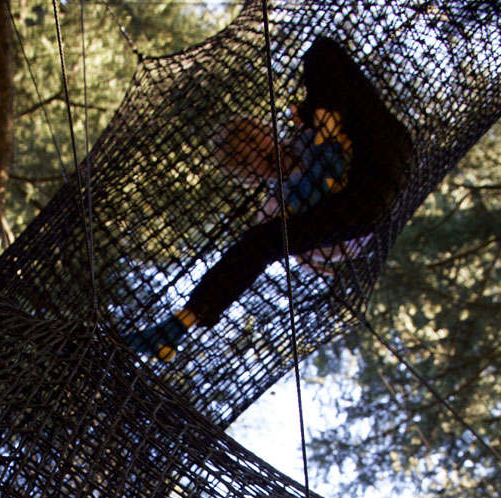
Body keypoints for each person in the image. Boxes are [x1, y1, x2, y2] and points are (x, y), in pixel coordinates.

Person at [126, 36, 413, 361]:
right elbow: (317, 248)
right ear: (247, 177)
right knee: (261, 242)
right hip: (360, 209)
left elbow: (330, 81)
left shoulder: (308, 128)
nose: (263, 155)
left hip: (382, 154)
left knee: (321, 51)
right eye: (250, 161)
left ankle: (332, 142)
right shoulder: (275, 209)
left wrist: (326, 131)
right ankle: (179, 323)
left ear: (265, 130)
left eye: (257, 142)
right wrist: (317, 252)